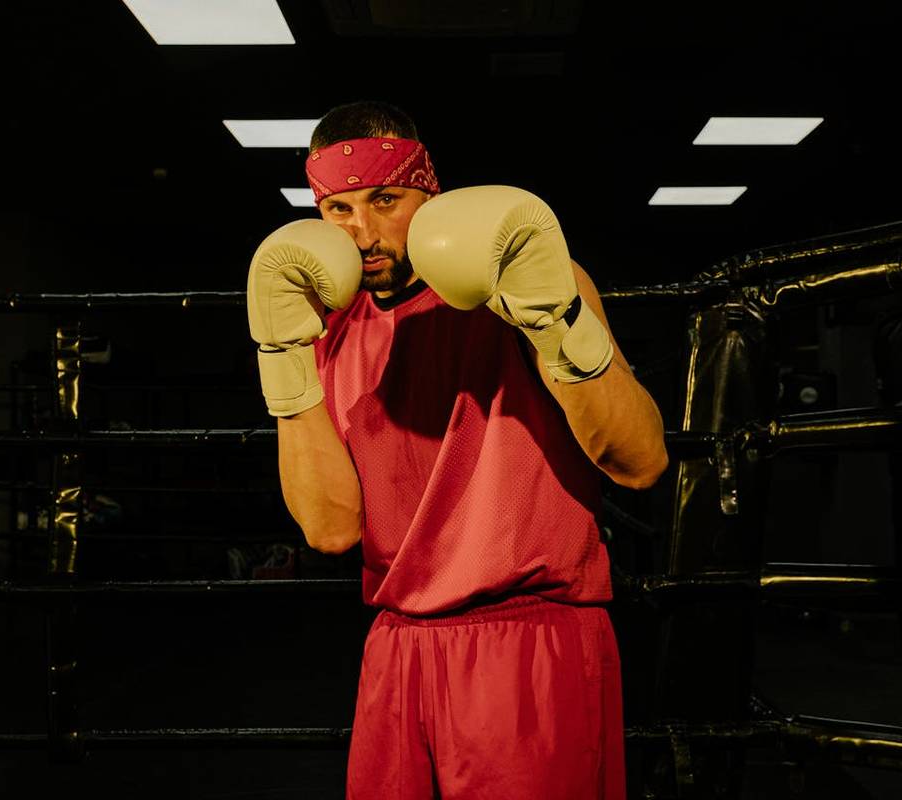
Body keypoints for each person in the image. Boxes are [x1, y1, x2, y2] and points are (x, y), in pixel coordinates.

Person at [246, 100, 668, 800]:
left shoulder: (526, 279)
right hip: (398, 646)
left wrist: (555, 318)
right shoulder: (324, 327)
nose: (365, 233)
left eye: (386, 200)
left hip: (532, 640)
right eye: (340, 212)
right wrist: (282, 357)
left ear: (429, 192)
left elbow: (642, 461)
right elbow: (329, 529)